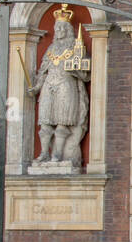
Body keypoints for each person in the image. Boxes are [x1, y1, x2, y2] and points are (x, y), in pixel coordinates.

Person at [30, 10, 90, 169]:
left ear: (69, 30)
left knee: (63, 123)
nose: (60, 31)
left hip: (66, 85)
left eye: (63, 28)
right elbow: (43, 70)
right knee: (45, 122)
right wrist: (36, 87)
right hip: (49, 85)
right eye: (58, 28)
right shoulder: (51, 48)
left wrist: (76, 70)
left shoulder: (75, 46)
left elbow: (85, 72)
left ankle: (57, 155)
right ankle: (44, 153)